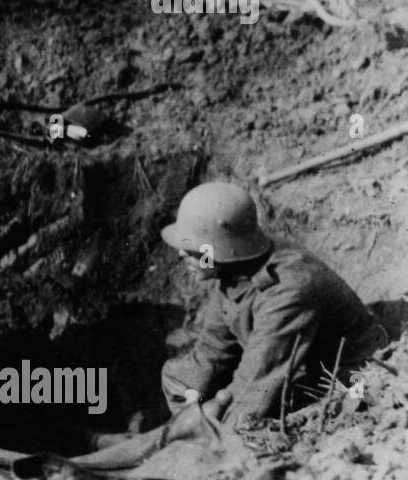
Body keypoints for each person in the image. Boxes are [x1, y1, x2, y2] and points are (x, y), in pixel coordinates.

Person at [158, 182, 387, 428]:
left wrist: (214, 418)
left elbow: (258, 385)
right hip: (279, 360)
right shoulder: (233, 264)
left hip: (344, 376)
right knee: (179, 379)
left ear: (220, 248)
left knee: (234, 423)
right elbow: (214, 348)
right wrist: (193, 392)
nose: (182, 254)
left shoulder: (288, 290)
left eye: (192, 247)